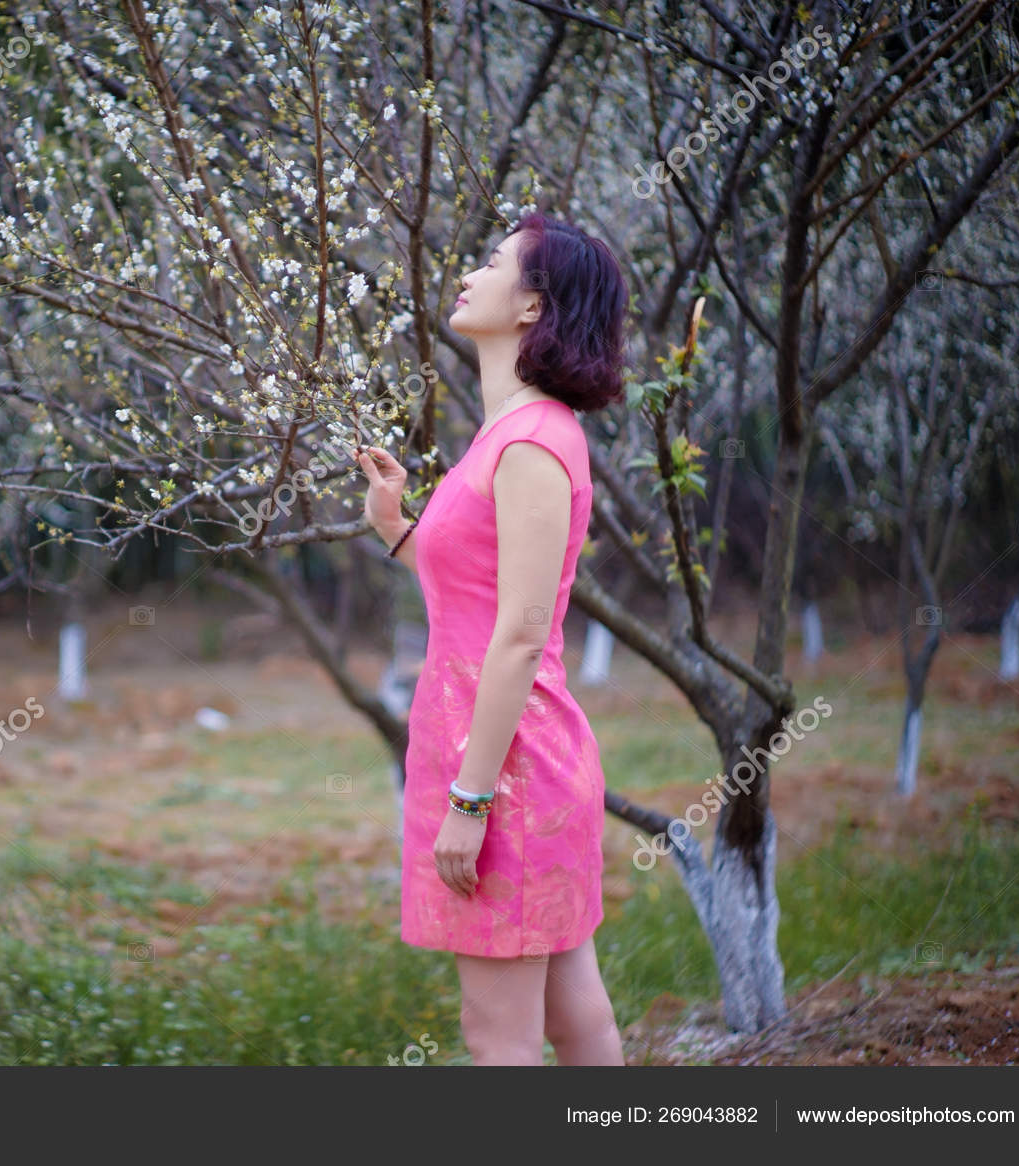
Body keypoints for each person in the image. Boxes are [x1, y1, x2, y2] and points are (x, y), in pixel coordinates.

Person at [355, 211, 628, 1066]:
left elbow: (518, 635)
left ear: (532, 308)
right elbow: (477, 601)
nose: (469, 273)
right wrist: (396, 528)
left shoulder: (535, 442)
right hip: (498, 754)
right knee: (569, 1013)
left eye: (495, 263)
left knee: (497, 1034)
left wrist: (470, 803)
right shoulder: (509, 436)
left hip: (507, 770)